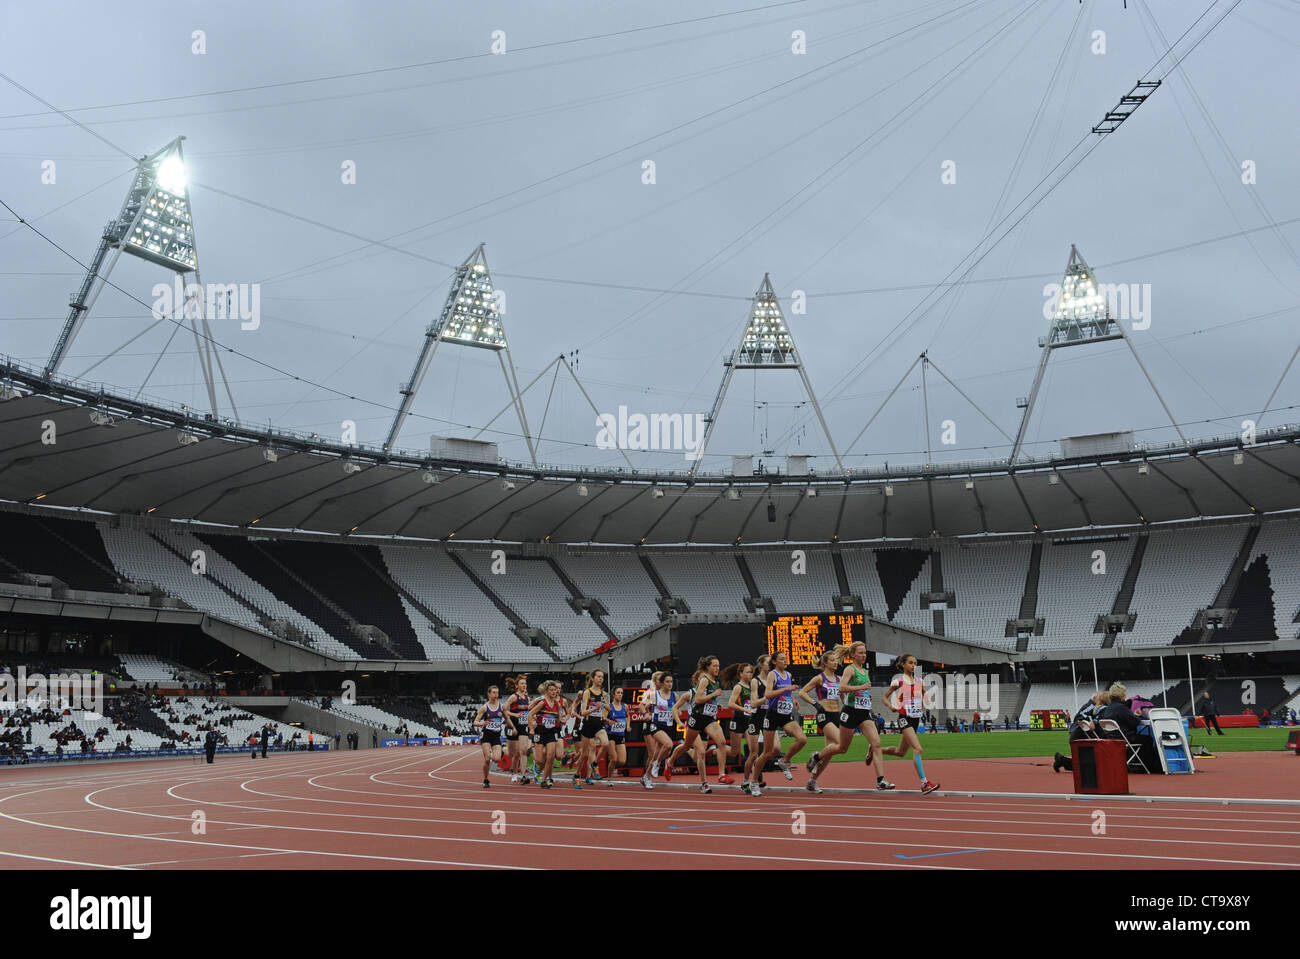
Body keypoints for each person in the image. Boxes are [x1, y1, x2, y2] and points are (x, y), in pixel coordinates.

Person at [812, 642, 893, 791]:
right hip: (850, 712)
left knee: (876, 743)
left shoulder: (865, 671)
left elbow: (863, 691)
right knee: (842, 748)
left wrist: (866, 697)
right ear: (853, 655)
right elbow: (841, 688)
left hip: (864, 713)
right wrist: (861, 688)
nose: (863, 655)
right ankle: (817, 756)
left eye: (865, 653)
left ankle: (881, 780)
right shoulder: (850, 669)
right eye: (861, 653)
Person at [667, 656, 732, 794]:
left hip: (709, 719)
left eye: (718, 666)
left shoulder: (715, 681)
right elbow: (698, 699)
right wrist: (714, 694)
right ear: (707, 667)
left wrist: (715, 703)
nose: (717, 668)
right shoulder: (703, 681)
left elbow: (709, 699)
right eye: (714, 665)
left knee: (721, 742)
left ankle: (721, 775)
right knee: (691, 748)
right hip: (696, 719)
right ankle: (670, 761)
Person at [882, 654, 940, 794]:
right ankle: (924, 783)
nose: (913, 665)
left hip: (915, 719)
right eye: (910, 663)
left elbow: (926, 698)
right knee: (918, 749)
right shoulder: (898, 682)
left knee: (900, 752)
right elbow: (884, 697)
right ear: (903, 664)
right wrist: (891, 706)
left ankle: (876, 750)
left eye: (915, 663)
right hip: (904, 718)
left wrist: (926, 701)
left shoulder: (920, 681)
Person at [751, 650, 807, 793]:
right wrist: (786, 689)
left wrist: (792, 699)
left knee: (802, 739)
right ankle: (754, 782)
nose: (785, 661)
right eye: (782, 659)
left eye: (786, 658)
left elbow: (787, 692)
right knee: (768, 752)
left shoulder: (788, 675)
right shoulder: (772, 674)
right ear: (775, 662)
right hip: (772, 715)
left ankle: (784, 761)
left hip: (785, 714)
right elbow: (768, 694)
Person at [798, 649, 844, 794]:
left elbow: (843, 697)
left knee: (829, 753)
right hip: (824, 714)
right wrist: (815, 704)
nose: (835, 662)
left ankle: (812, 781)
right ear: (825, 663)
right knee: (840, 743)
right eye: (832, 660)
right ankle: (815, 756)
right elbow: (802, 692)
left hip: (836, 715)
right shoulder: (820, 678)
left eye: (836, 660)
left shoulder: (840, 679)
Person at [723, 662, 759, 793]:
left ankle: (751, 781)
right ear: (741, 674)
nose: (750, 675)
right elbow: (730, 704)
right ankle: (716, 751)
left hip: (749, 722)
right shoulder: (738, 687)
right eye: (748, 672)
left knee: (753, 752)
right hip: (737, 721)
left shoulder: (752, 687)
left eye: (751, 672)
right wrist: (744, 709)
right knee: (734, 752)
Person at [1053, 691, 1108, 773]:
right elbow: (1080, 716)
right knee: (1085, 765)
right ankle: (1061, 760)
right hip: (1078, 734)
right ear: (1094, 698)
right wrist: (1091, 721)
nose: (1101, 701)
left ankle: (1061, 760)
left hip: (1078, 734)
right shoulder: (1091, 706)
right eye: (1099, 699)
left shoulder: (1092, 706)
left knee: (1084, 764)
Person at [642, 672, 678, 790]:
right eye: (667, 682)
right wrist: (646, 714)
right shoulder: (655, 695)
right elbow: (641, 706)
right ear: (662, 683)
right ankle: (657, 764)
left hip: (668, 726)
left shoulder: (675, 696)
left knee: (658, 753)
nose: (670, 684)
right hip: (656, 725)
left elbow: (677, 710)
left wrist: (677, 715)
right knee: (668, 745)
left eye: (671, 682)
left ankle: (646, 777)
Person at [526, 681, 566, 789]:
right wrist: (531, 729)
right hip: (540, 731)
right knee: (540, 760)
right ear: (547, 692)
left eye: (555, 690)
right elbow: (530, 714)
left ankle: (544, 780)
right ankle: (533, 751)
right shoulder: (542, 702)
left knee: (551, 756)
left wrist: (562, 720)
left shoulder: (557, 704)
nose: (554, 692)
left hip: (551, 732)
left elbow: (559, 719)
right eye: (551, 690)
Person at [576, 670, 611, 787]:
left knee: (606, 744)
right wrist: (595, 708)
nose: (601, 679)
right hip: (588, 723)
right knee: (585, 754)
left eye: (602, 677)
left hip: (599, 723)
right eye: (599, 677)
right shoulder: (587, 692)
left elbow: (609, 708)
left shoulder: (603, 693)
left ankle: (594, 764)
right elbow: (583, 712)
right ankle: (576, 775)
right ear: (593, 678)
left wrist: (604, 704)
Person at [473, 685, 513, 788]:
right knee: (487, 759)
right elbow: (475, 722)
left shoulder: (502, 706)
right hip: (486, 735)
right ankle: (486, 779)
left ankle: (502, 750)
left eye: (497, 693)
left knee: (496, 759)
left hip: (496, 736)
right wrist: (483, 723)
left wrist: (513, 728)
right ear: (489, 694)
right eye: (494, 692)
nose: (496, 695)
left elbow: (507, 719)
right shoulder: (485, 707)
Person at [602, 686, 629, 787]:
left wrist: (628, 725)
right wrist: (607, 720)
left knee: (622, 761)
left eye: (621, 693)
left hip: (620, 734)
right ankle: (609, 778)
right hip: (610, 734)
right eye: (618, 693)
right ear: (613, 694)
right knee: (613, 758)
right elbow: (603, 717)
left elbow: (627, 716)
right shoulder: (609, 707)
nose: (620, 695)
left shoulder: (625, 706)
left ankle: (610, 769)